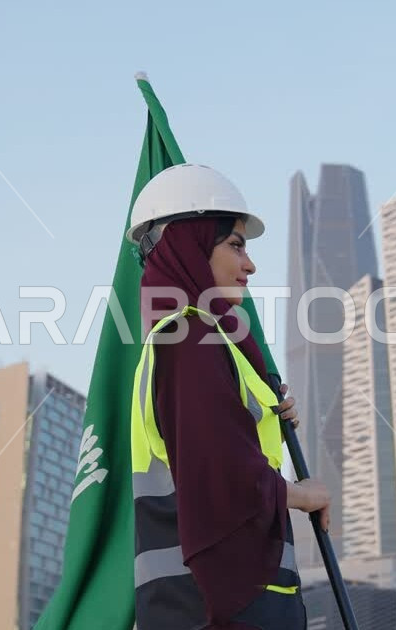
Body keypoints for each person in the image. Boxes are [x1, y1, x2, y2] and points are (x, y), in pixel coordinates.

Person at [127, 164, 332, 630]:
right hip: (217, 601)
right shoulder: (187, 336)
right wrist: (303, 495)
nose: (250, 264)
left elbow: (215, 448)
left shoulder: (190, 340)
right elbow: (221, 473)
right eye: (235, 245)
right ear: (192, 247)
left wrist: (264, 409)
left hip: (213, 597)